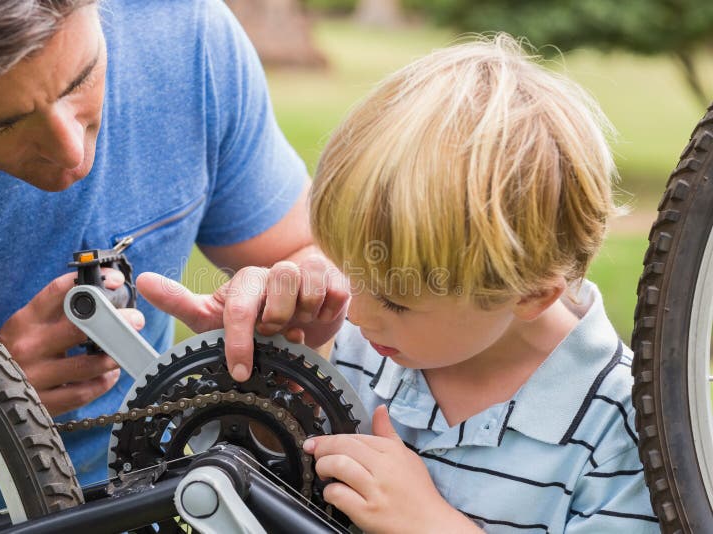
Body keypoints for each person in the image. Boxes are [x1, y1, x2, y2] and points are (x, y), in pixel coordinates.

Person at [142, 35, 660, 532]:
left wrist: (430, 526)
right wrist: (267, 387)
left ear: (529, 293)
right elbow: (263, 485)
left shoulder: (625, 431)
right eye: (350, 269)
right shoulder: (362, 351)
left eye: (394, 298)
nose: (357, 312)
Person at [0, 0, 347, 525]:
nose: (72, 153)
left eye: (82, 79)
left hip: (155, 498)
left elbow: (301, 248)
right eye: (0, 125)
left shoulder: (185, 33)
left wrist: (285, 297)